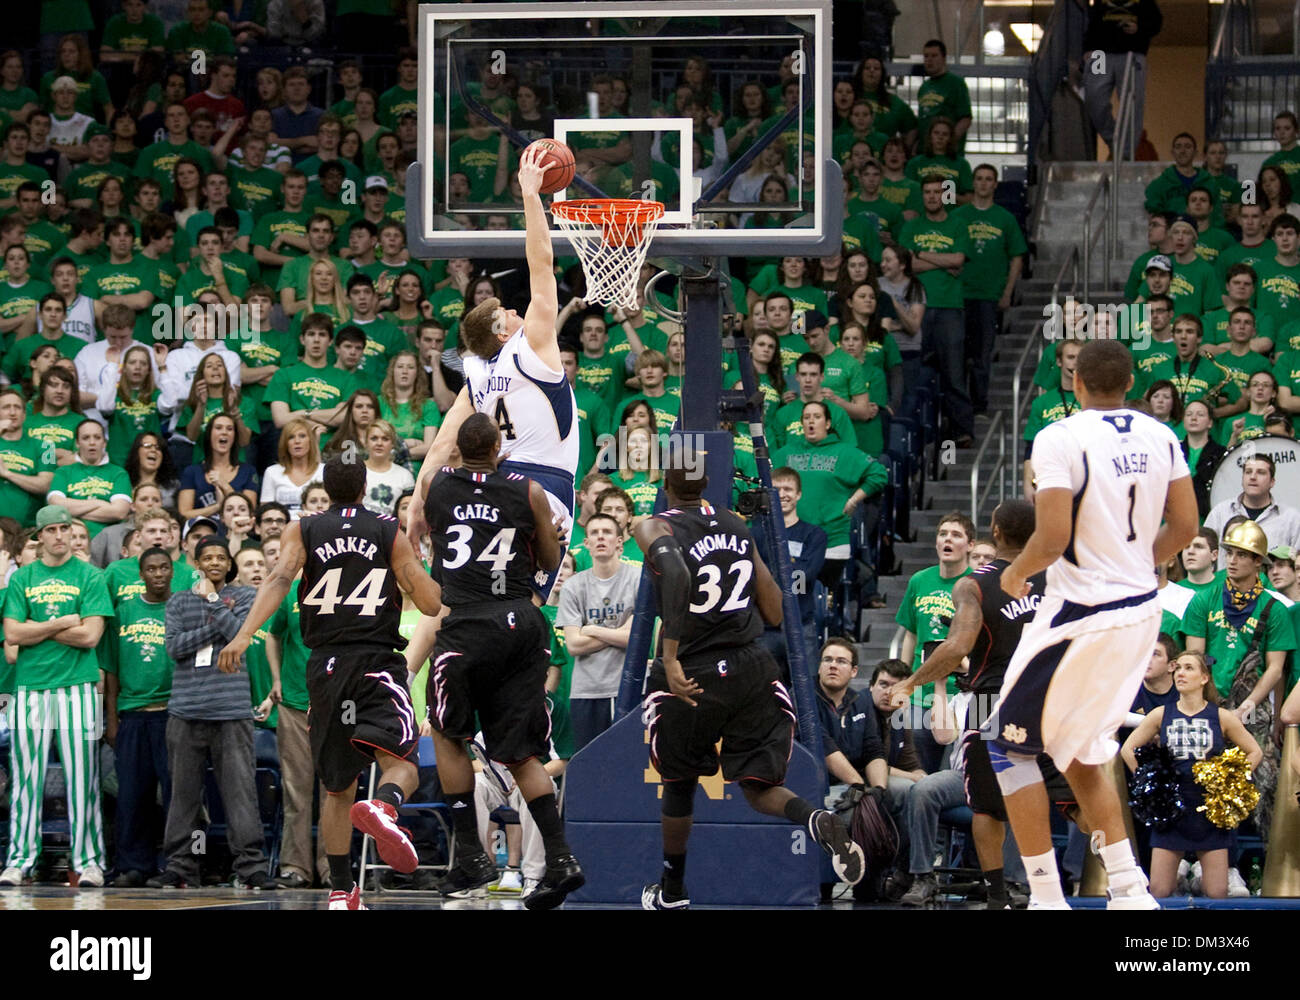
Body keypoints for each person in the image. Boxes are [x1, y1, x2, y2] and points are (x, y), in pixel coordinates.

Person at [988, 339, 1198, 910]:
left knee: (1007, 748)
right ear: (1130, 384)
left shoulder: (1061, 436)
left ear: (1075, 382)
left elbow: (1052, 536)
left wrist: (1016, 574)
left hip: (1080, 615)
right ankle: (1131, 890)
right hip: (1139, 613)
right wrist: (1136, 565)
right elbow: (1186, 525)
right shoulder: (1162, 435)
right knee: (1080, 751)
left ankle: (1045, 898)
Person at [218, 454, 442, 911]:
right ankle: (384, 805)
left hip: (324, 670)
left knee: (338, 788)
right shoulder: (387, 530)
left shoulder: (303, 528)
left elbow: (279, 578)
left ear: (327, 487)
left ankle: (341, 890)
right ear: (365, 488)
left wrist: (244, 635)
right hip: (376, 662)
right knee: (401, 763)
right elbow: (431, 604)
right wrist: (426, 564)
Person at [636, 464, 864, 910]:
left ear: (664, 486)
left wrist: (668, 655)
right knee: (758, 787)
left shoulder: (655, 524)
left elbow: (677, 575)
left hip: (693, 672)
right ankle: (814, 817)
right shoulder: (738, 526)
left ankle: (673, 890)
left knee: (679, 782)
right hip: (750, 666)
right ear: (706, 483)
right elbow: (777, 609)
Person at [422, 413, 583, 910]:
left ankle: (471, 853)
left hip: (468, 622)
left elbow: (449, 467)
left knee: (448, 733)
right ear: (500, 447)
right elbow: (554, 554)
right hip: (519, 622)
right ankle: (560, 858)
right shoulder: (528, 491)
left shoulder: (438, 486)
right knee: (521, 753)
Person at [409, 144, 577, 600]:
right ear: (502, 333)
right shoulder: (534, 347)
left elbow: (442, 446)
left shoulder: (479, 376)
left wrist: (417, 506)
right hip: (544, 489)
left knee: (473, 600)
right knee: (529, 603)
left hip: (493, 488)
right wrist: (530, 195)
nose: (515, 309)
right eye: (505, 310)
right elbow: (541, 263)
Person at [888, 500, 1074, 909]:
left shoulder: (973, 584)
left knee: (987, 807)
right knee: (1072, 798)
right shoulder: (1059, 579)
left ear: (995, 531)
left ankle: (996, 896)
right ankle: (1119, 880)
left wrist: (911, 683)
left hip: (989, 699)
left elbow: (956, 647)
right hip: (1051, 697)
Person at [152, 536, 278, 890]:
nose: (215, 563)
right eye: (208, 557)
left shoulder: (246, 597)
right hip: (186, 710)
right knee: (185, 796)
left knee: (240, 793)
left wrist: (211, 600)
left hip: (231, 710)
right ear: (197, 562)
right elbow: (175, 648)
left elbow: (240, 633)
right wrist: (215, 629)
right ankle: (182, 866)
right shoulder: (177, 601)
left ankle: (250, 866)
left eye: (222, 557)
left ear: (229, 563)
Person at [0, 505, 112, 888]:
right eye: (53, 529)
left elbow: (90, 636)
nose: (61, 535)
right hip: (30, 687)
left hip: (78, 686)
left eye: (67, 528)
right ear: (41, 536)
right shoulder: (23, 578)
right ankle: (20, 860)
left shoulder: (91, 576)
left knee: (84, 778)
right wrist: (63, 621)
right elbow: (11, 635)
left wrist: (37, 627)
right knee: (25, 779)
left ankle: (89, 862)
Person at [1122, 650, 1262, 898]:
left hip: (1209, 812)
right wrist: (1151, 785)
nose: (1180, 674)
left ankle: (1195, 885)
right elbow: (1128, 750)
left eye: (1188, 668)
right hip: (1172, 812)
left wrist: (1230, 783)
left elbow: (1254, 752)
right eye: (1177, 669)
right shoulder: (1160, 714)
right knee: (1159, 890)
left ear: (1204, 678)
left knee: (1216, 893)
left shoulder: (1221, 716)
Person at [101, 545, 174, 887]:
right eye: (151, 569)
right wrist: (112, 718)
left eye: (164, 568)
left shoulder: (181, 609)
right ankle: (133, 865)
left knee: (177, 796)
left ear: (172, 571)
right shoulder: (123, 610)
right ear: (141, 574)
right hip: (131, 715)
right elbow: (111, 672)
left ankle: (178, 864)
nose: (158, 574)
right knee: (131, 795)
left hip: (172, 715)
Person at [556, 510, 640, 753]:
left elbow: (634, 638)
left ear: (619, 541)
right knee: (589, 766)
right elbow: (573, 645)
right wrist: (617, 633)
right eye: (594, 533)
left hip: (626, 688)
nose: (601, 537)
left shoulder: (637, 580)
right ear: (586, 543)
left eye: (607, 532)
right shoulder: (573, 586)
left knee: (626, 761)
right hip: (585, 691)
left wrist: (591, 629)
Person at [1202, 454, 1300, 568]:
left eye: (1261, 472)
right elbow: (1205, 555)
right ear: (1242, 478)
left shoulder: (1291, 518)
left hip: (1272, 585)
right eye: (1248, 472)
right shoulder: (1219, 513)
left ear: (1272, 482)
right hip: (1225, 584)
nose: (1253, 477)